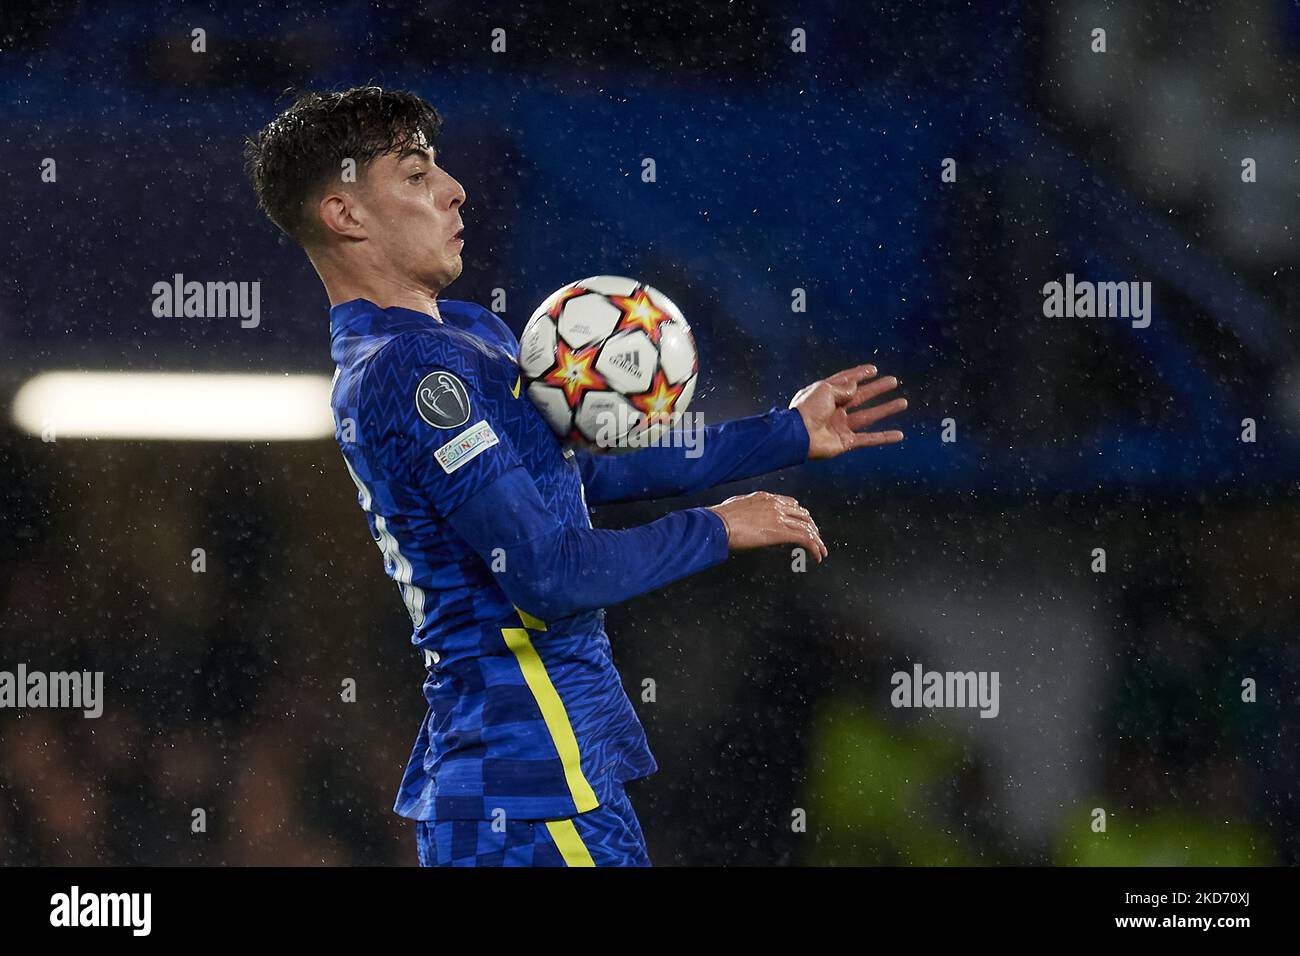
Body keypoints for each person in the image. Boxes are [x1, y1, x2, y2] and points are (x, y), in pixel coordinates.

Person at [245, 86, 907, 866]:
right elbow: (547, 573)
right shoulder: (412, 371)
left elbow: (576, 474)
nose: (455, 188)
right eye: (417, 175)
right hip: (524, 785)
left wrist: (785, 433)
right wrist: (716, 527)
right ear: (344, 214)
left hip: (542, 778)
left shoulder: (466, 333)